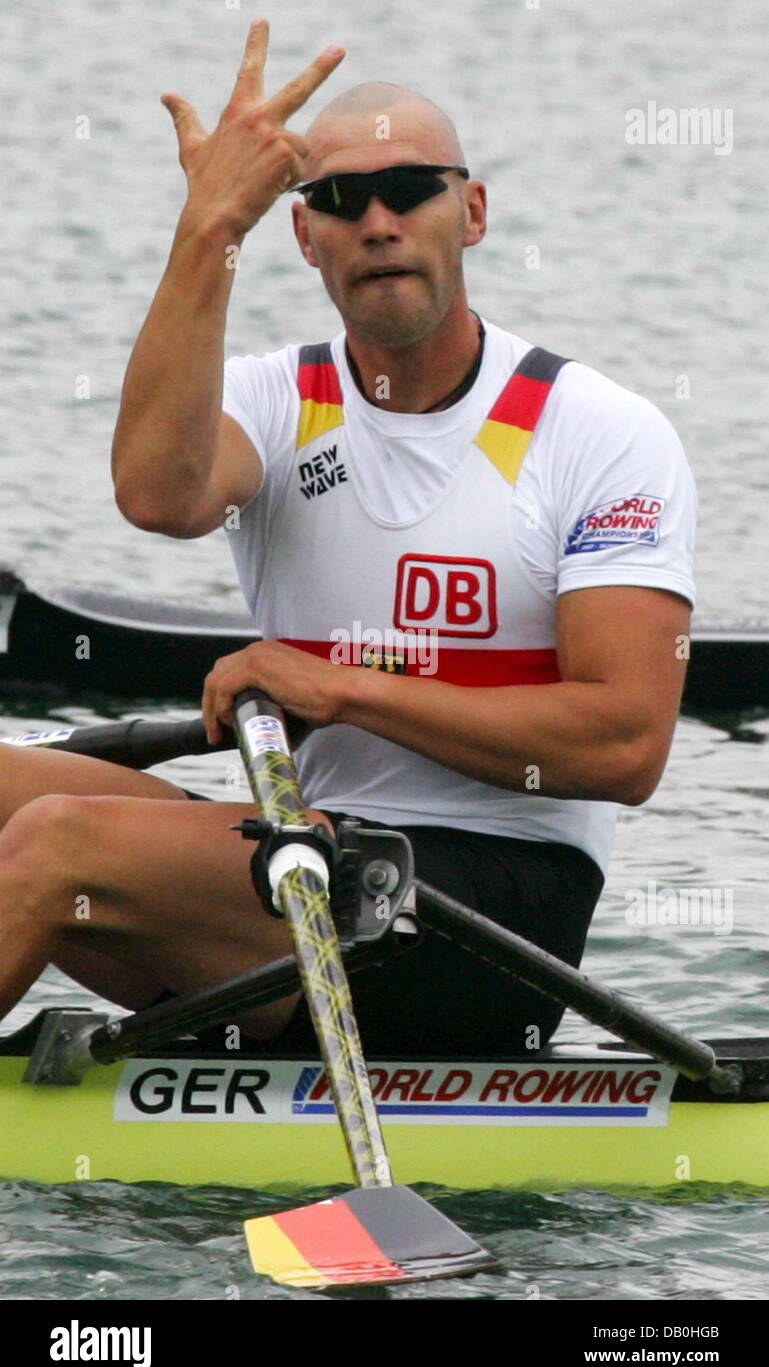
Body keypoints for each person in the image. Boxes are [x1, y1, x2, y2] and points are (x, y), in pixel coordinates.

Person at [0, 22, 696, 1054]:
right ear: (301, 235)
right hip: (310, 866)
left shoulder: (597, 431)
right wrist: (207, 227)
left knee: (59, 842)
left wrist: (347, 688)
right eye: (335, 199)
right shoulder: (279, 403)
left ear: (472, 211)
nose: (376, 221)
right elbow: (156, 495)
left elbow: (626, 744)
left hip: (493, 915)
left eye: (409, 187)